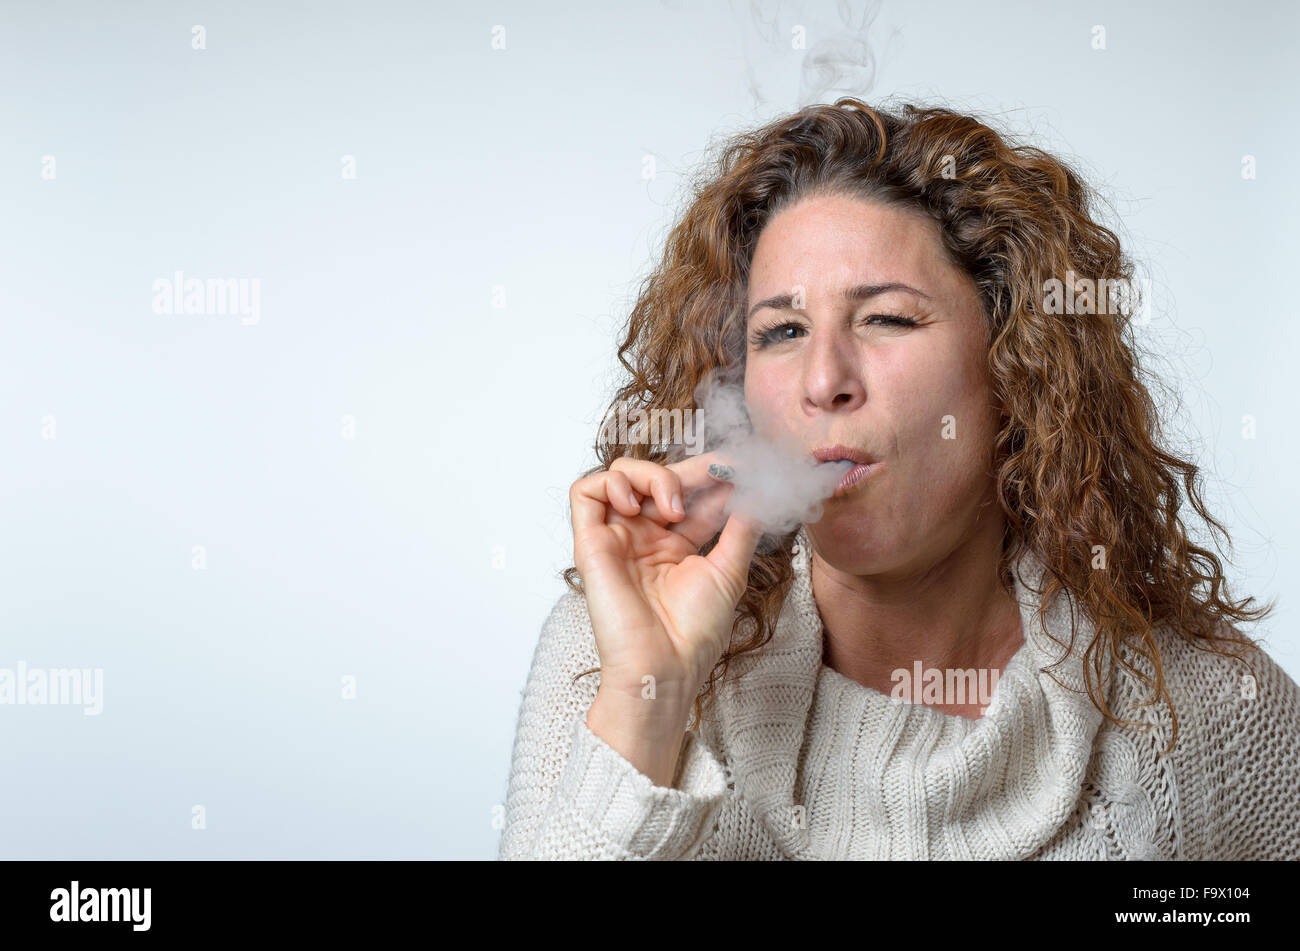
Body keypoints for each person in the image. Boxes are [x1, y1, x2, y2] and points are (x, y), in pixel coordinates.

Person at [497, 97, 1300, 860]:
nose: (823, 382)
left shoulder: (1206, 708)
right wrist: (650, 700)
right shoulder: (607, 654)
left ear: (1017, 362)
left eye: (885, 318)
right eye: (781, 330)